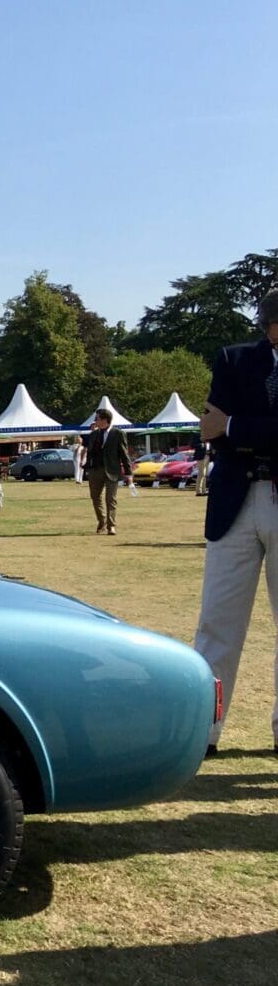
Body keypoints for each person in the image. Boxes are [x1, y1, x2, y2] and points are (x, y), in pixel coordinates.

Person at [194, 288, 278, 755]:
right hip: (236, 501)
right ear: (267, 323)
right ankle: (203, 731)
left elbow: (223, 429)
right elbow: (210, 429)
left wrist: (234, 428)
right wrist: (230, 432)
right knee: (218, 623)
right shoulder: (233, 359)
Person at [84, 408, 131, 535]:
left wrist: (128, 473)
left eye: (97, 419)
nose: (94, 421)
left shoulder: (118, 433)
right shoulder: (93, 434)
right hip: (95, 470)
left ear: (105, 420)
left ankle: (111, 525)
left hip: (112, 471)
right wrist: (87, 468)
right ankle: (102, 521)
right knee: (95, 498)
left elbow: (124, 454)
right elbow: (90, 453)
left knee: (111, 499)